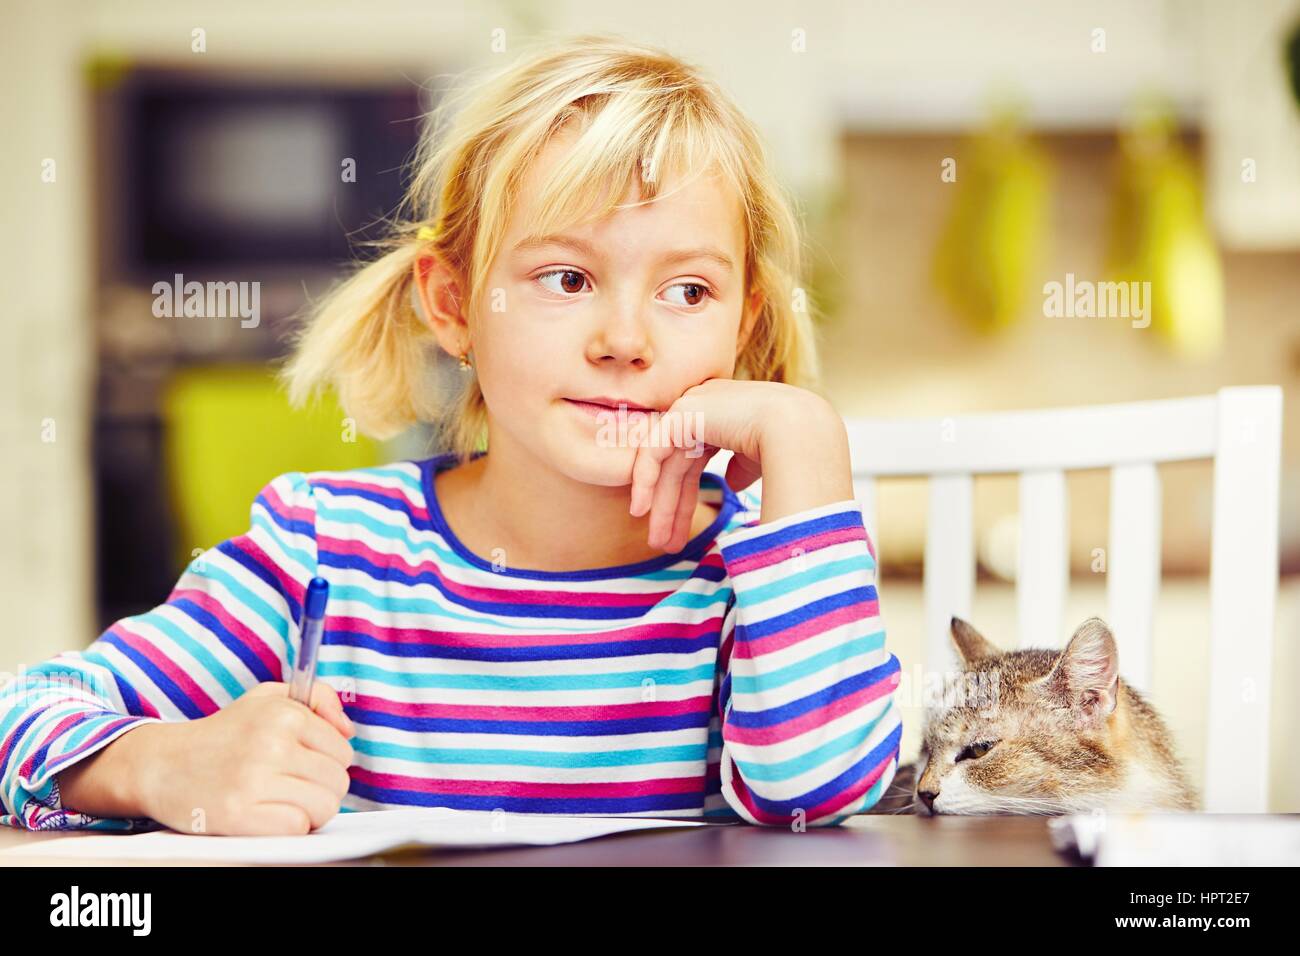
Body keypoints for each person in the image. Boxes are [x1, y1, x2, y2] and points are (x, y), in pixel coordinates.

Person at [0, 34, 902, 835]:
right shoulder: (327, 549)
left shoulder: (767, 590)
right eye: (566, 278)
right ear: (452, 305)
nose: (625, 341)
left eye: (689, 292)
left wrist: (808, 448)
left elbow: (812, 800)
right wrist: (163, 766)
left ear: (743, 326)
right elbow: (22, 710)